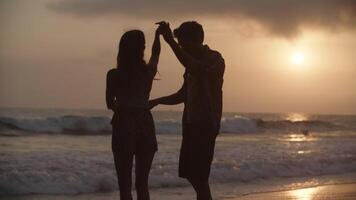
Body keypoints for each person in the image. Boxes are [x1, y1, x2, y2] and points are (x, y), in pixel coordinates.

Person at [150, 21, 225, 200]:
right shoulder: (190, 66)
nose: (183, 48)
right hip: (191, 125)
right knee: (192, 175)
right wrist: (158, 101)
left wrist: (171, 42)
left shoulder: (214, 59)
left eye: (184, 44)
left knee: (199, 178)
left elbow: (197, 68)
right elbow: (183, 95)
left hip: (206, 125)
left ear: (196, 40)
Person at [106, 27, 161, 200]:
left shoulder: (114, 75)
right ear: (141, 49)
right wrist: (158, 35)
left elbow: (109, 103)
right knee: (142, 184)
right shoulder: (147, 72)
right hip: (145, 123)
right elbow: (156, 53)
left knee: (125, 186)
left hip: (123, 123)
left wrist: (124, 106)